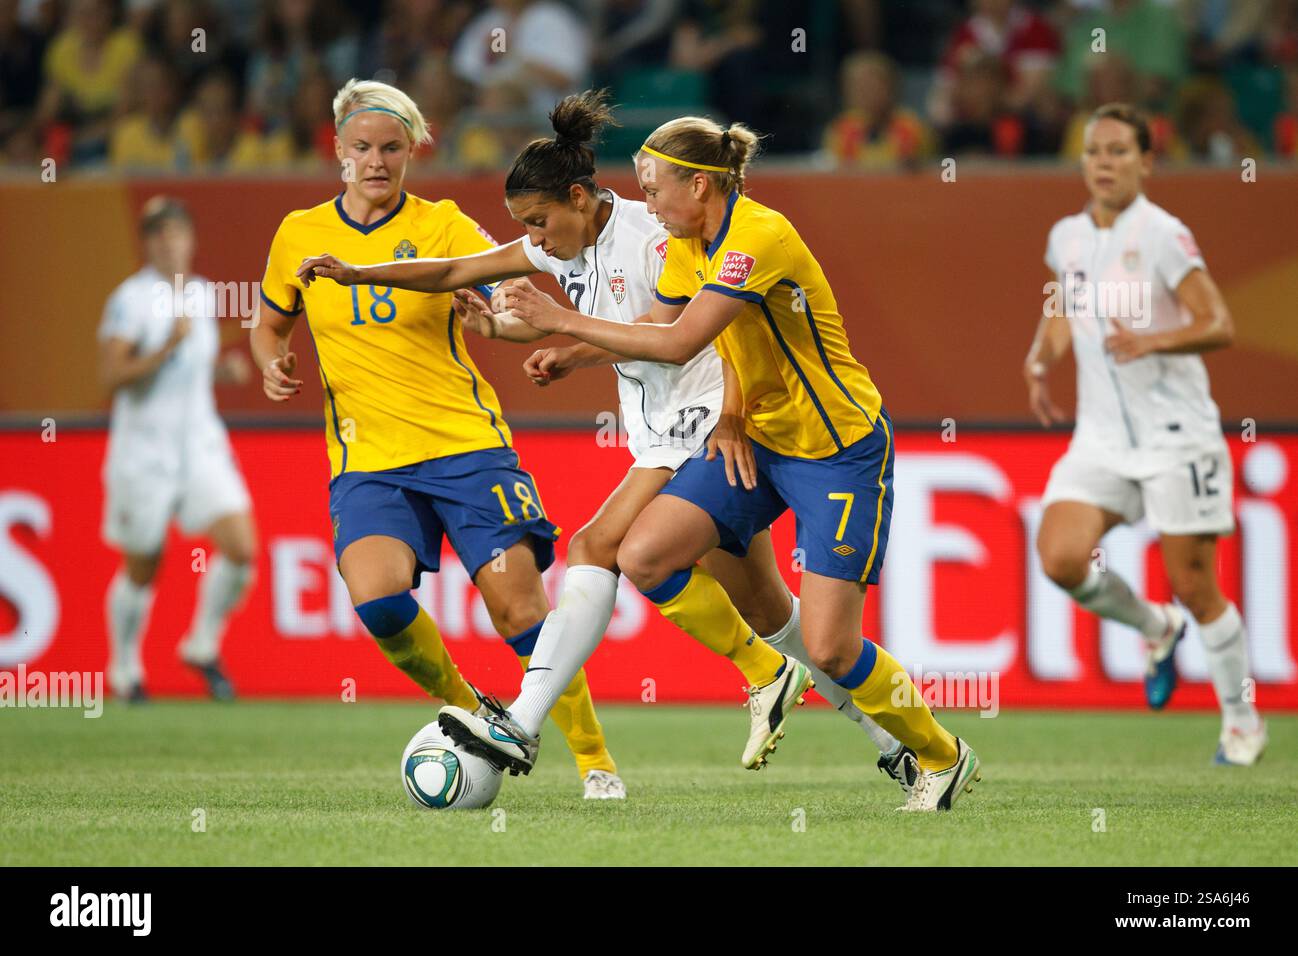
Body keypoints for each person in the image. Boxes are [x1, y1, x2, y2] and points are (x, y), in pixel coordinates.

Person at [297, 90, 913, 786]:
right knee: (768, 609)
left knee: (598, 546)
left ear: (582, 197)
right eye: (525, 227)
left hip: (704, 423)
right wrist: (363, 274)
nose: (537, 238)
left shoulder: (655, 240)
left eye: (542, 221)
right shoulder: (560, 246)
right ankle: (893, 741)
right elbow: (452, 274)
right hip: (660, 432)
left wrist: (579, 336)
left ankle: (525, 723)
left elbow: (708, 336)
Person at [443, 115, 982, 812]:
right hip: (751, 437)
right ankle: (771, 677)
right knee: (644, 557)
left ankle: (939, 753)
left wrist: (559, 321)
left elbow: (677, 344)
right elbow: (659, 336)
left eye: (655, 189)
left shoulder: (757, 237)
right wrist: (576, 350)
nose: (648, 204)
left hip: (836, 447)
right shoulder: (683, 243)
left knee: (831, 645)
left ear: (700, 184)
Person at [251, 78, 625, 799]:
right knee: (379, 601)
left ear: (412, 152)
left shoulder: (446, 224)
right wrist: (274, 361)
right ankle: (471, 711)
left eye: (392, 147)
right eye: (362, 147)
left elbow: (507, 308)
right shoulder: (299, 234)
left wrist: (512, 325)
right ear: (338, 151)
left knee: (521, 611)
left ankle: (595, 761)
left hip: (464, 445)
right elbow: (268, 322)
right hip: (369, 461)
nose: (377, 161)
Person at [1026, 103, 1266, 766]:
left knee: (1195, 584)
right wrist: (1041, 358)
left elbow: (1218, 322)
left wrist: (1154, 338)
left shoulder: (1163, 235)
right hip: (1101, 437)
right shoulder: (1066, 237)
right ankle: (1154, 628)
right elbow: (1060, 307)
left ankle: (1241, 722)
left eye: (1119, 152)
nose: (1105, 163)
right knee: (1060, 557)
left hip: (1175, 436)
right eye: (1095, 152)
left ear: (1146, 163)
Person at [99, 196, 256, 702]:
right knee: (145, 563)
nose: (169, 242)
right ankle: (123, 668)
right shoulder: (131, 299)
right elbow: (112, 376)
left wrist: (221, 372)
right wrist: (164, 347)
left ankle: (202, 643)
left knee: (242, 547)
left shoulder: (205, 294)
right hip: (144, 449)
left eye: (177, 232)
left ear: (190, 238)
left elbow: (187, 368)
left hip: (200, 442)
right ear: (146, 243)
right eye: (158, 234)